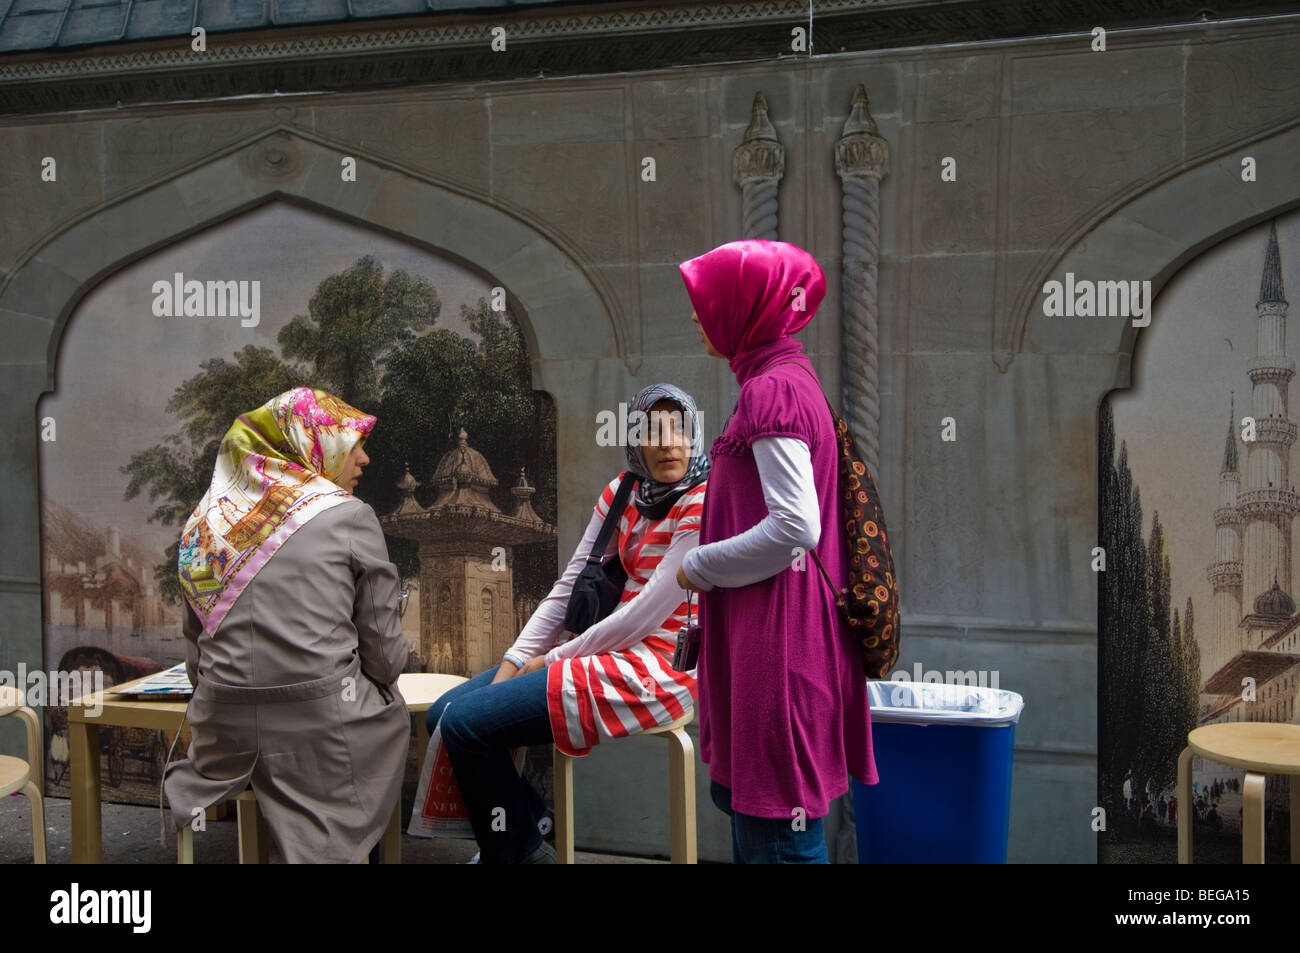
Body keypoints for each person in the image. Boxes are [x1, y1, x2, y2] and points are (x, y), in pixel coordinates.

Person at [426, 383, 709, 863]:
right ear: (634, 440)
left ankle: (515, 851)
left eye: (679, 429)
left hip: (661, 666)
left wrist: (552, 658)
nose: (668, 443)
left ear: (694, 433)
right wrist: (516, 659)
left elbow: (648, 612)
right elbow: (568, 587)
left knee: (470, 725)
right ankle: (527, 830)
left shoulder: (704, 500)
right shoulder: (623, 492)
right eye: (652, 430)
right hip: (600, 651)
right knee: (444, 716)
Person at [675, 238, 878, 863]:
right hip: (771, 634)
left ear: (746, 308)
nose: (694, 316)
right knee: (762, 828)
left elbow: (795, 527)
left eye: (706, 302)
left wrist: (697, 566)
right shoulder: (780, 379)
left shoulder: (774, 390)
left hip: (778, 642)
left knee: (778, 837)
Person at [162, 387, 410, 863]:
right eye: (350, 442)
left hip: (222, 730)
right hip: (318, 727)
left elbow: (198, 657)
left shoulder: (206, 523)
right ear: (307, 445)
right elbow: (384, 656)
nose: (364, 458)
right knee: (382, 723)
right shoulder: (351, 516)